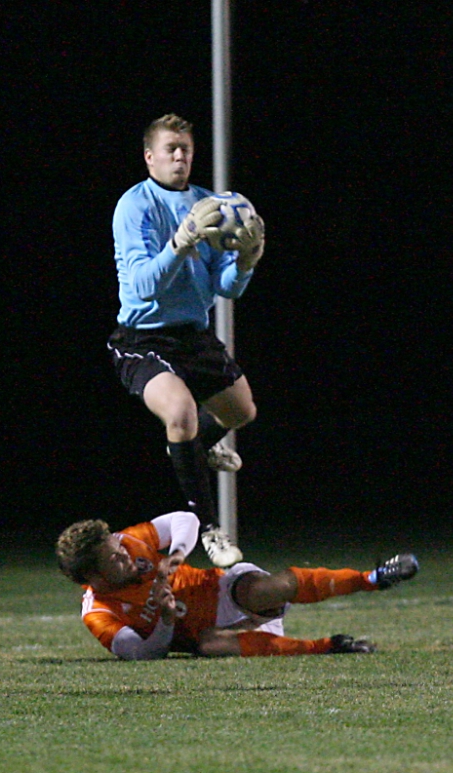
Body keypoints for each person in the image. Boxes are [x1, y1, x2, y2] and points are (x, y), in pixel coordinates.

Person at [108, 114, 266, 569]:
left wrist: (248, 259)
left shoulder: (208, 203)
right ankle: (211, 529)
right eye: (171, 149)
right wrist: (179, 242)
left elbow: (227, 287)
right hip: (142, 336)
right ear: (149, 156)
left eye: (187, 150)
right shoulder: (134, 206)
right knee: (179, 413)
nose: (180, 156)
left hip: (193, 334)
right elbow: (143, 286)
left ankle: (192, 447)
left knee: (242, 411)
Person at [55, 512, 418, 660]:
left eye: (120, 548)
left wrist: (178, 554)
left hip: (227, 592)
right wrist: (165, 620)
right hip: (213, 634)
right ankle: (331, 647)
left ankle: (373, 579)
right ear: (94, 579)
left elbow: (186, 519)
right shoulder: (99, 615)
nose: (126, 556)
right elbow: (143, 654)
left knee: (261, 591)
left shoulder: (128, 542)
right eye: (115, 561)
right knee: (210, 645)